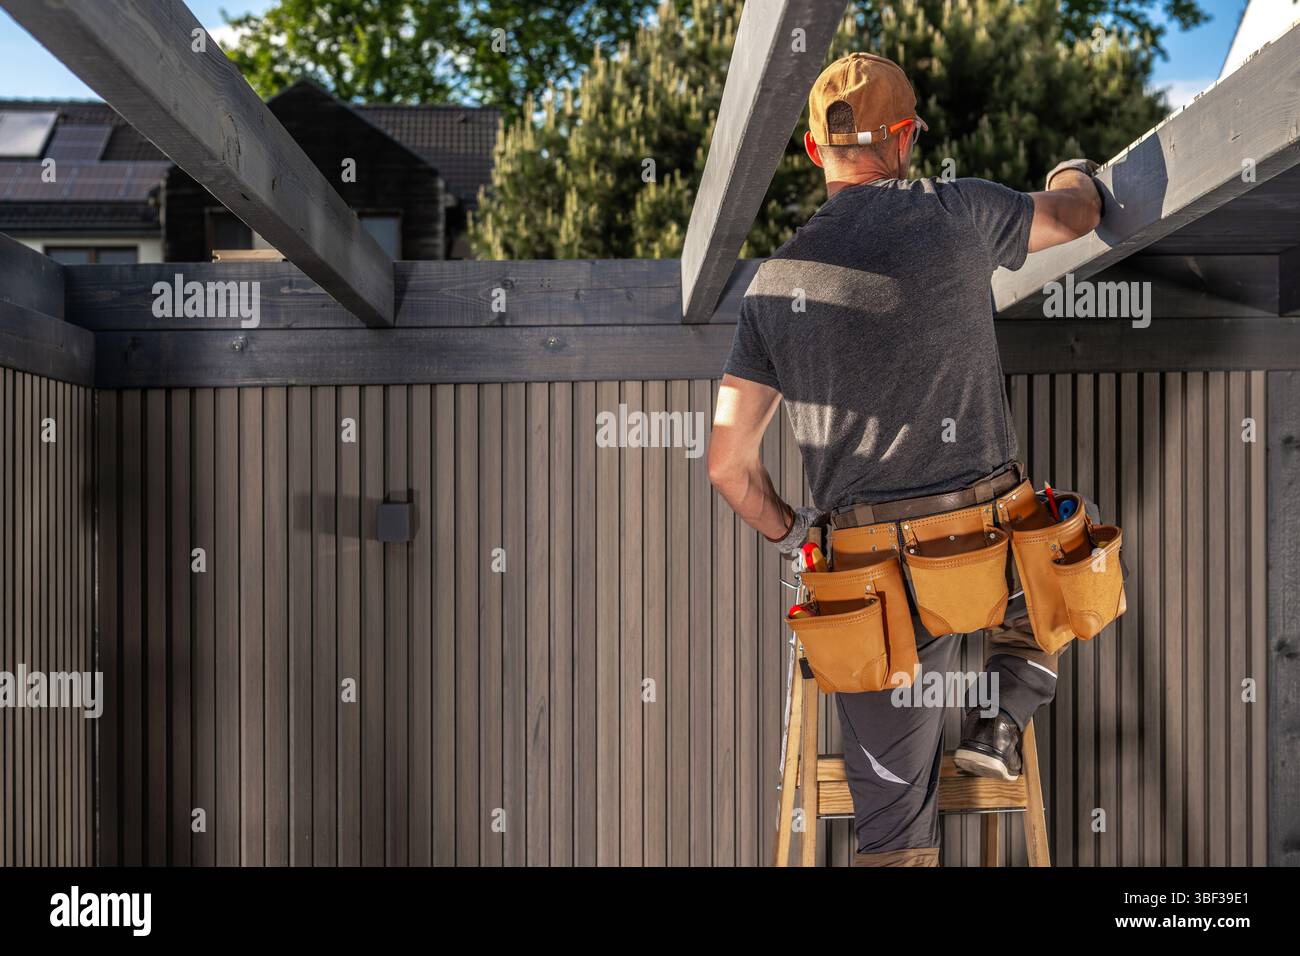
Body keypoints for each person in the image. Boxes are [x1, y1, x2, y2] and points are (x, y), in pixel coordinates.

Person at [707, 52, 1103, 867]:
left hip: (870, 587)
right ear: (908, 136)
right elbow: (1075, 215)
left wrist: (795, 539)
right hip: (990, 557)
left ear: (815, 151)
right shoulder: (960, 212)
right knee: (1066, 536)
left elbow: (728, 467)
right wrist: (1076, 171)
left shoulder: (774, 285)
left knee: (891, 837)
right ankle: (1001, 717)